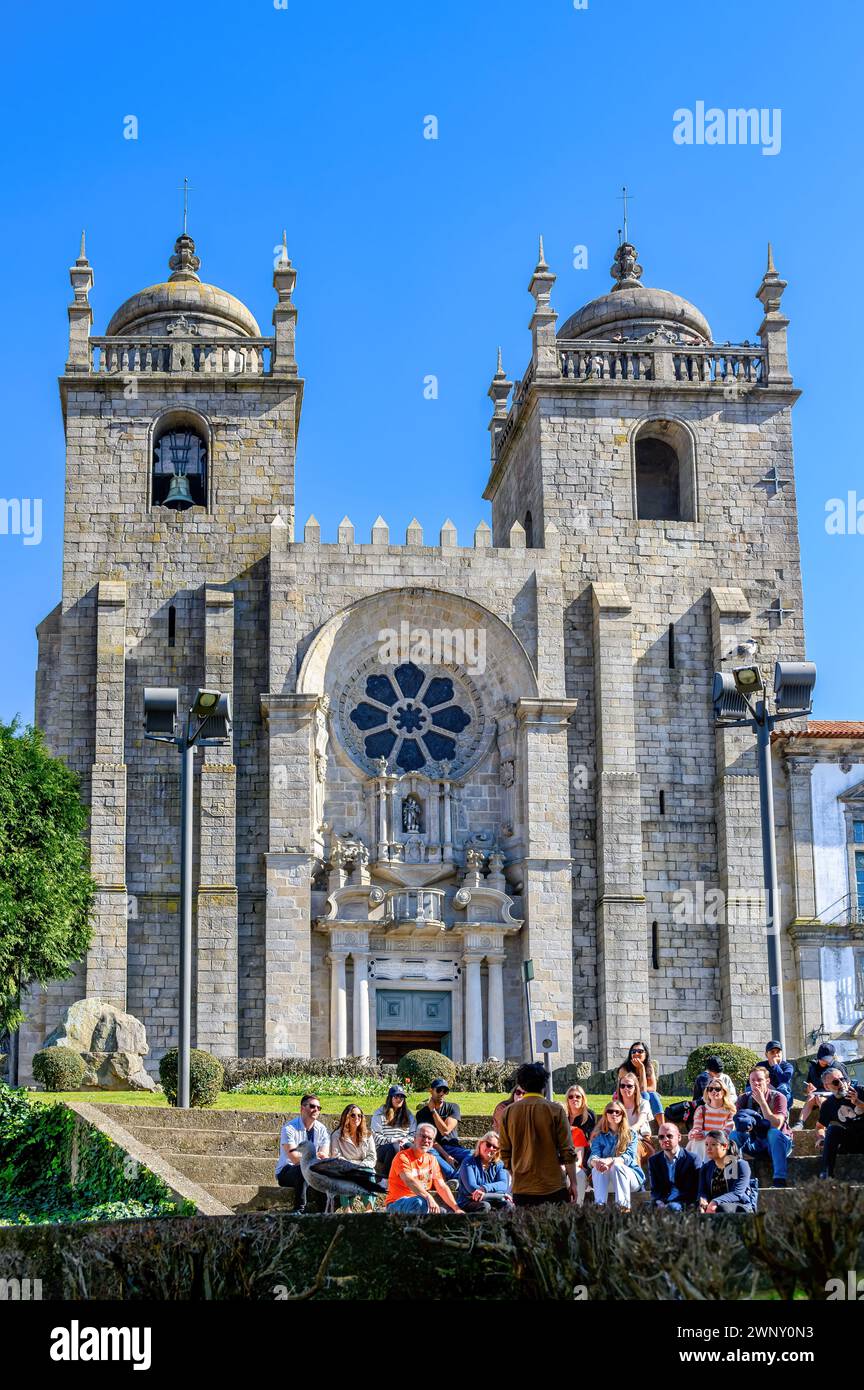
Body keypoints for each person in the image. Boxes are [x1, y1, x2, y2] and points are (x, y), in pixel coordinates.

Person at [498, 1061, 578, 1206]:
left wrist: (514, 1174)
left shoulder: (508, 1112)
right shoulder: (555, 1110)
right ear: (544, 1084)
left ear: (522, 1084)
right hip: (553, 1186)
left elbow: (504, 1152)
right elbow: (567, 1150)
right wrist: (573, 1182)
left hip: (522, 1188)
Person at [731, 1064, 793, 1186]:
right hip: (756, 1144)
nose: (756, 1083)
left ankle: (779, 1180)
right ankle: (734, 1180)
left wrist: (762, 1102)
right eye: (752, 1080)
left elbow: (777, 1125)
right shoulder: (743, 1099)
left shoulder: (779, 1097)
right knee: (733, 1136)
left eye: (759, 1080)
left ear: (768, 1081)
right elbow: (738, 1125)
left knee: (773, 1132)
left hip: (779, 1143)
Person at [385, 1123, 465, 1215]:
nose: (426, 1140)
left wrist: (456, 1208)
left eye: (430, 1138)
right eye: (423, 1136)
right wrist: (428, 1197)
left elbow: (441, 1186)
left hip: (422, 1203)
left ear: (432, 1144)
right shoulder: (402, 1157)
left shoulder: (432, 1159)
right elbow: (409, 1180)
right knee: (419, 1203)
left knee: (444, 1212)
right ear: (414, 1139)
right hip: (397, 1204)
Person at [275, 1093, 330, 1213]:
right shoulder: (289, 1128)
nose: (316, 1109)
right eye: (312, 1106)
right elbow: (294, 1159)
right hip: (287, 1171)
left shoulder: (322, 1129)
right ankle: (299, 1210)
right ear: (302, 1108)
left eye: (318, 1108)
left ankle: (325, 1212)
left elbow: (324, 1156)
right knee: (303, 1168)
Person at [588, 1102, 645, 1210]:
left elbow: (628, 1157)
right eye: (610, 1111)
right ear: (606, 1115)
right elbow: (593, 1155)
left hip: (630, 1180)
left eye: (617, 1112)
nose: (614, 1114)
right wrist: (596, 1162)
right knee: (597, 1168)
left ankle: (623, 1208)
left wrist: (610, 1160)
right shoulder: (599, 1136)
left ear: (622, 1114)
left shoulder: (631, 1134)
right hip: (608, 1181)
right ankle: (600, 1207)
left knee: (617, 1166)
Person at [415, 1078, 473, 1178]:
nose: (442, 1093)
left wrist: (433, 1111)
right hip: (435, 1148)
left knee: (473, 1154)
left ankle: (458, 1177)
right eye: (438, 1090)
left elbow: (445, 1131)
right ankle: (456, 1177)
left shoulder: (453, 1108)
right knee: (430, 1152)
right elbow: (429, 1140)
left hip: (453, 1147)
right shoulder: (422, 1114)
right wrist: (446, 1156)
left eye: (445, 1091)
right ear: (431, 1091)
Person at [666, 1055, 737, 1130]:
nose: (717, 1075)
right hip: (708, 1108)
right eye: (715, 1073)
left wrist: (724, 1101)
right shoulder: (702, 1078)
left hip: (724, 1106)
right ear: (709, 1071)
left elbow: (733, 1095)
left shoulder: (726, 1078)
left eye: (719, 1073)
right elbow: (697, 1099)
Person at [329, 1104, 378, 1209]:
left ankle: (369, 1209)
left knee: (369, 1173)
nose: (357, 1118)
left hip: (363, 1167)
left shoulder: (368, 1135)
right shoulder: (336, 1136)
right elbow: (336, 1157)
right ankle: (347, 1209)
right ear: (346, 1117)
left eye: (359, 1116)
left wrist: (361, 1166)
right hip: (345, 1168)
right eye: (353, 1115)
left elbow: (372, 1157)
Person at [698, 1131, 757, 1213]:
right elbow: (702, 1191)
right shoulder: (706, 1167)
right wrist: (703, 1200)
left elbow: (737, 1193)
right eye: (706, 1144)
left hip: (739, 1205)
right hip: (713, 1205)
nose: (708, 1148)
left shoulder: (739, 1165)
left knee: (722, 1208)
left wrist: (715, 1201)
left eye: (713, 1144)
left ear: (724, 1146)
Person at [794, 1044, 850, 1129]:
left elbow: (847, 1082)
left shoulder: (837, 1066)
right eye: (822, 1059)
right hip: (817, 1094)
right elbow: (808, 1085)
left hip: (834, 1095)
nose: (824, 1061)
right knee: (811, 1097)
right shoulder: (813, 1067)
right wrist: (809, 1088)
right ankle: (800, 1123)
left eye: (827, 1059)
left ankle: (826, 1125)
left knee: (820, 1099)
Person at [648, 1122, 702, 1210]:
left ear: (679, 1137)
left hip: (684, 1202)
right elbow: (655, 1189)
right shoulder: (654, 1161)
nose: (665, 1139)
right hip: (663, 1201)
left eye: (669, 1136)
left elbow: (695, 1190)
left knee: (672, 1207)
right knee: (644, 1207)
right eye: (661, 1137)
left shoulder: (692, 1159)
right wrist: (659, 1201)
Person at [455, 1132, 513, 1212]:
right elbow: (472, 1189)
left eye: (495, 1147)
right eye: (488, 1144)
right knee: (485, 1205)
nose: (491, 1148)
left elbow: (503, 1184)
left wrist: (485, 1188)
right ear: (481, 1143)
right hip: (468, 1201)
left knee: (508, 1205)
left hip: (493, 1200)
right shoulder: (468, 1162)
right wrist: (500, 1196)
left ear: (498, 1151)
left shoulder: (499, 1164)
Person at [685, 1076, 737, 1162]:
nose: (713, 1091)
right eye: (710, 1089)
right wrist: (694, 1134)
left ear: (724, 1092)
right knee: (698, 1139)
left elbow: (727, 1132)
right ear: (707, 1092)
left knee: (708, 1140)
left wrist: (709, 1136)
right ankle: (699, 1167)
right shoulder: (701, 1109)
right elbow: (696, 1129)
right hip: (704, 1142)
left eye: (717, 1089)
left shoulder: (730, 1110)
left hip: (721, 1141)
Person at [819, 1082, 864, 1178]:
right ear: (827, 1086)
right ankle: (826, 1175)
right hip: (851, 1140)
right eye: (835, 1082)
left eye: (842, 1079)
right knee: (832, 1130)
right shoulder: (828, 1104)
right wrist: (821, 1137)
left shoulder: (860, 1090)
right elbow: (820, 1126)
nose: (840, 1083)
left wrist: (858, 1102)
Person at [370, 1085, 416, 1175]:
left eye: (401, 1097)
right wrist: (393, 1141)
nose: (399, 1099)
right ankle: (385, 1178)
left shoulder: (408, 1114)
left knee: (411, 1148)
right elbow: (375, 1136)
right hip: (383, 1148)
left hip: (403, 1144)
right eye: (396, 1096)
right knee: (393, 1148)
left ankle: (412, 1178)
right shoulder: (380, 1113)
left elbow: (414, 1133)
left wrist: (405, 1140)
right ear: (390, 1098)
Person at [618, 1041, 664, 1123]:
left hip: (644, 1096)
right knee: (645, 1094)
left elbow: (653, 1088)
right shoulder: (624, 1069)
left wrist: (642, 1068)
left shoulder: (649, 1067)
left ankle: (662, 1126)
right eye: (633, 1051)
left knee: (652, 1095)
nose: (636, 1053)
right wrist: (641, 1069)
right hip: (627, 1095)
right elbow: (633, 1089)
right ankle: (643, 1124)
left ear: (646, 1054)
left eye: (640, 1051)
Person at [565, 1085, 595, 1206]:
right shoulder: (563, 1116)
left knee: (577, 1173)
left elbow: (591, 1140)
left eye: (578, 1096)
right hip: (565, 1154)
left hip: (583, 1154)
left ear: (583, 1099)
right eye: (571, 1097)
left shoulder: (589, 1115)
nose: (574, 1099)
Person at [613, 1073, 653, 1143]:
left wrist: (628, 1131)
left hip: (640, 1139)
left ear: (635, 1089)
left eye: (629, 1086)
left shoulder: (644, 1103)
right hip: (619, 1139)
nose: (625, 1088)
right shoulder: (616, 1105)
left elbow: (640, 1122)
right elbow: (604, 1123)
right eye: (622, 1086)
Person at [763, 1040, 794, 1105]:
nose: (776, 1055)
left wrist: (775, 1065)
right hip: (766, 1093)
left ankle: (784, 1112)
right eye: (772, 1052)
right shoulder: (761, 1065)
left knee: (783, 1087)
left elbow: (784, 1079)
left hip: (782, 1096)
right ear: (766, 1055)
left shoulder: (788, 1066)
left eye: (778, 1052)